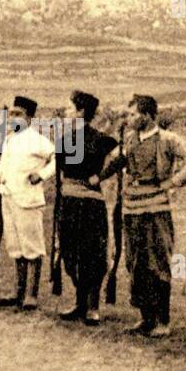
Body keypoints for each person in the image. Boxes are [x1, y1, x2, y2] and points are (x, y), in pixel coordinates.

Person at [116, 94, 186, 338]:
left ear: (147, 115)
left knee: (159, 263)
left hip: (156, 208)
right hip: (131, 206)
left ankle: (163, 321)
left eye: (134, 114)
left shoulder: (168, 139)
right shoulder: (129, 139)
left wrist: (174, 182)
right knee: (135, 262)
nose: (130, 118)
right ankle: (146, 318)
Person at [56, 90, 121, 326]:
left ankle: (93, 307)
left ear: (81, 112)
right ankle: (79, 302)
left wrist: (100, 176)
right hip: (69, 203)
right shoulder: (64, 140)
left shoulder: (101, 139)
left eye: (70, 108)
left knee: (92, 253)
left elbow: (120, 157)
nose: (66, 112)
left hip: (91, 203)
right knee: (70, 251)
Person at [0, 95, 56, 310]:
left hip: (27, 199)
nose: (13, 117)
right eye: (11, 113)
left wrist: (41, 174)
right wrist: (0, 178)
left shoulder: (38, 140)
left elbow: (57, 158)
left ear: (29, 117)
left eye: (18, 114)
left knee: (32, 248)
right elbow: (5, 163)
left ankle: (32, 295)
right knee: (15, 246)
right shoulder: (10, 138)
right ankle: (17, 292)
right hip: (8, 197)